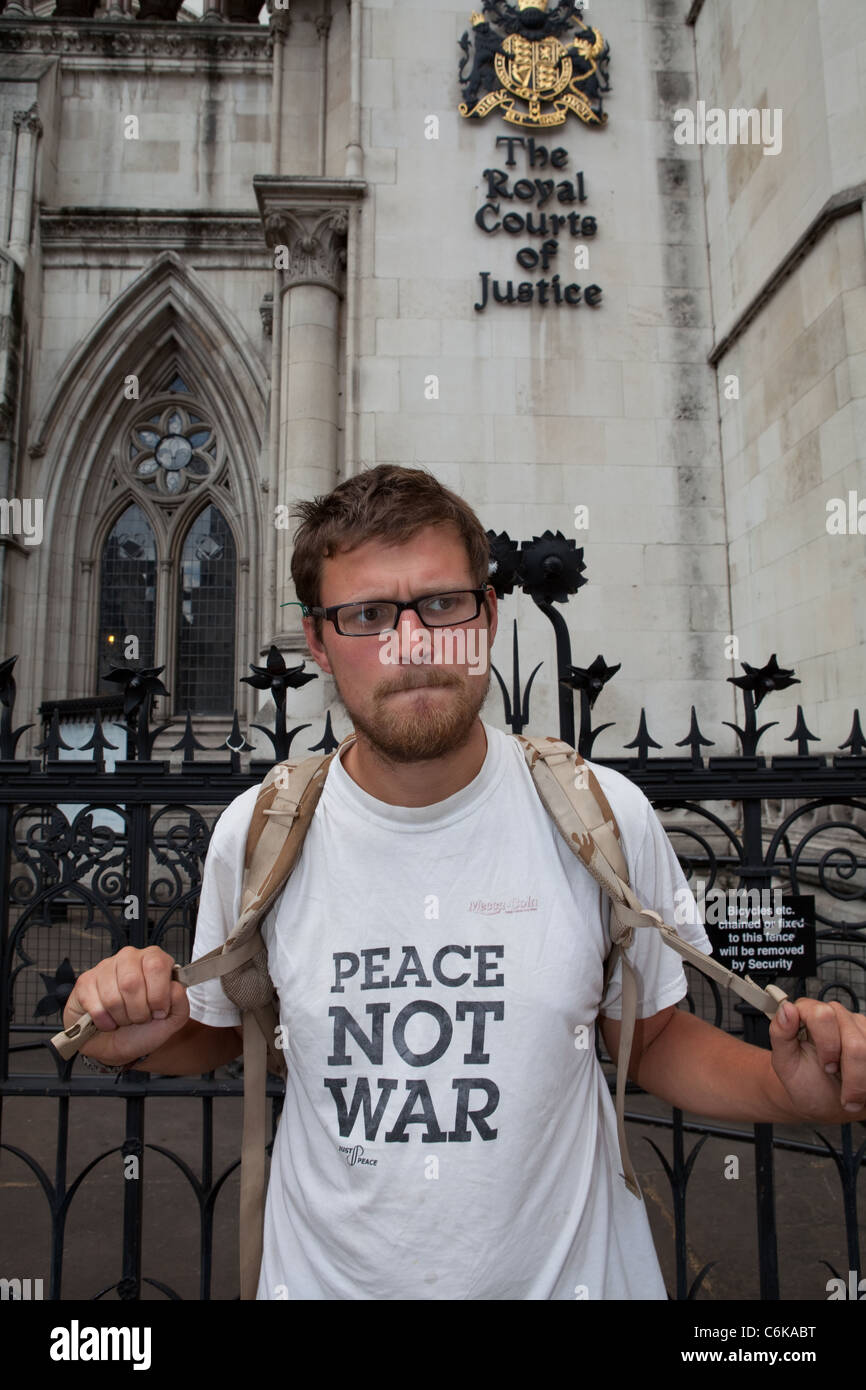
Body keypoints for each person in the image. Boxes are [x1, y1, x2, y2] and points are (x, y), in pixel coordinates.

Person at [64, 464, 866, 1301]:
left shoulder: (601, 816)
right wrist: (142, 1038)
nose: (411, 645)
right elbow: (224, 1033)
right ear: (317, 641)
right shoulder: (259, 833)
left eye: (441, 604)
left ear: (485, 615)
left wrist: (794, 1090)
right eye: (367, 615)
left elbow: (655, 1040)